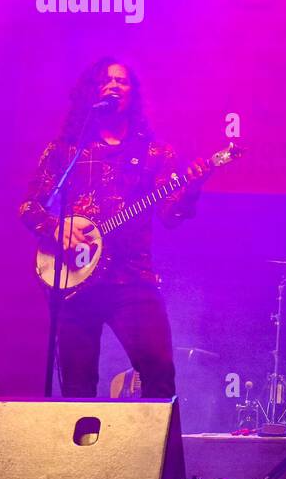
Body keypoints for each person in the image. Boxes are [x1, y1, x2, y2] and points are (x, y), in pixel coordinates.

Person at [20, 58, 206, 398]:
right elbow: (30, 207)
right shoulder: (65, 151)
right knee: (77, 386)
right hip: (74, 281)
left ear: (133, 94)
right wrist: (56, 227)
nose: (114, 85)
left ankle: (162, 436)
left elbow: (170, 215)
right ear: (91, 92)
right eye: (106, 80)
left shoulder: (155, 152)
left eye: (122, 81)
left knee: (159, 375)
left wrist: (191, 190)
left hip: (131, 278)